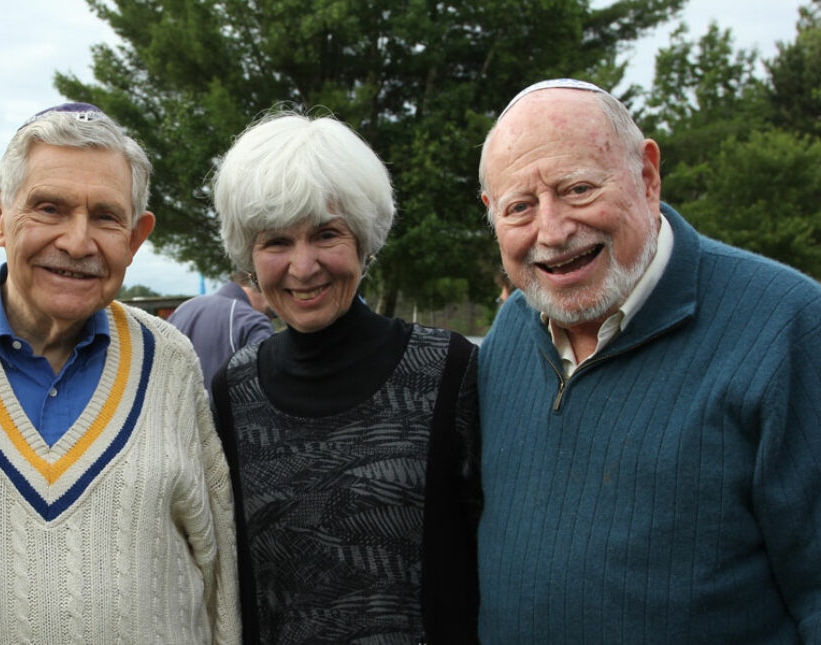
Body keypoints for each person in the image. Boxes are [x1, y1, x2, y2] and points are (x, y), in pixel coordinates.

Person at [0, 102, 239, 644]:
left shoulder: (170, 361)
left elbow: (218, 563)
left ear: (135, 237)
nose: (78, 242)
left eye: (106, 216)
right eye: (50, 208)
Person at [476, 79, 821, 643]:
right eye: (520, 207)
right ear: (494, 215)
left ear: (648, 176)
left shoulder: (787, 327)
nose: (553, 231)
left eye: (579, 189)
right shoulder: (507, 338)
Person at [209, 112, 481, 644]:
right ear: (249, 254)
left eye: (325, 234)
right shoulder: (232, 393)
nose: (303, 266)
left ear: (362, 238)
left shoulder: (446, 371)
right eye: (276, 242)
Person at [167, 270, 273, 390]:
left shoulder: (183, 308)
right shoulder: (254, 321)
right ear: (263, 291)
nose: (271, 319)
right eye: (272, 313)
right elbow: (265, 388)